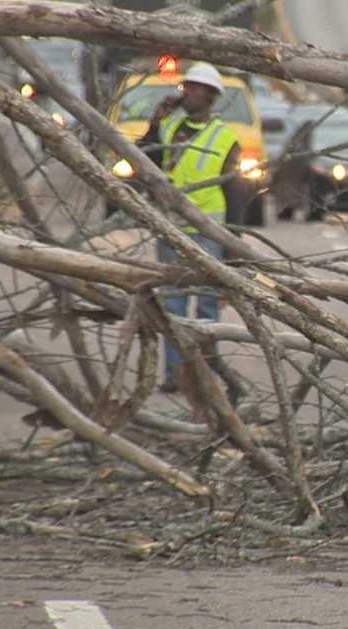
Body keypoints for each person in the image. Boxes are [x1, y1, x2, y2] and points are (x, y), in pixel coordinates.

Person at [137, 62, 245, 392]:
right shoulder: (169, 127)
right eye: (187, 87)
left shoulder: (226, 138)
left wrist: (233, 245)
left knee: (207, 304)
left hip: (208, 230)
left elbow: (236, 194)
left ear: (211, 95)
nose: (189, 93)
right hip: (171, 228)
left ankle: (205, 374)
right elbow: (144, 159)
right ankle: (176, 375)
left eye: (197, 89)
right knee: (173, 303)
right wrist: (155, 123)